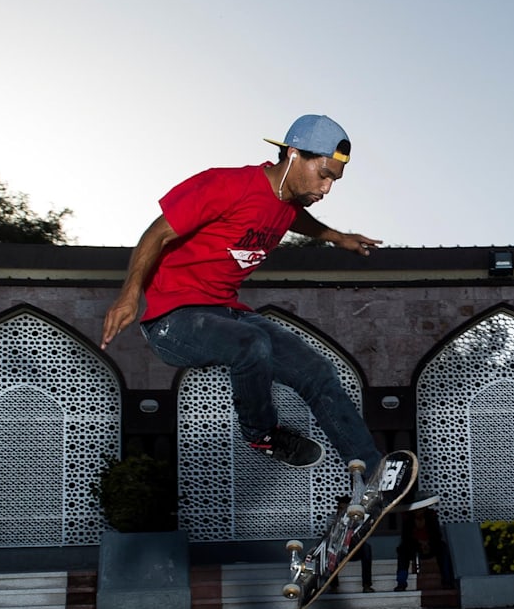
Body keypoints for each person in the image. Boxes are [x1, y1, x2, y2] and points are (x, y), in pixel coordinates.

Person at [101, 114, 384, 471]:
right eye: (324, 175)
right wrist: (129, 293)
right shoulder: (227, 184)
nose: (326, 189)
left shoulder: (289, 203)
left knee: (317, 370)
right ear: (294, 155)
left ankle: (375, 476)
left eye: (334, 181)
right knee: (252, 343)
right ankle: (262, 433)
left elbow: (293, 218)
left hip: (227, 312)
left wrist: (339, 237)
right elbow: (157, 234)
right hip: (173, 319)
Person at [395, 505, 447, 591]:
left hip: (431, 543)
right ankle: (401, 583)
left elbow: (437, 535)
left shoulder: (431, 516)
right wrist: (420, 543)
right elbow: (405, 537)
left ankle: (447, 581)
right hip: (414, 545)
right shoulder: (408, 518)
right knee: (403, 551)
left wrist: (427, 543)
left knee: (442, 548)